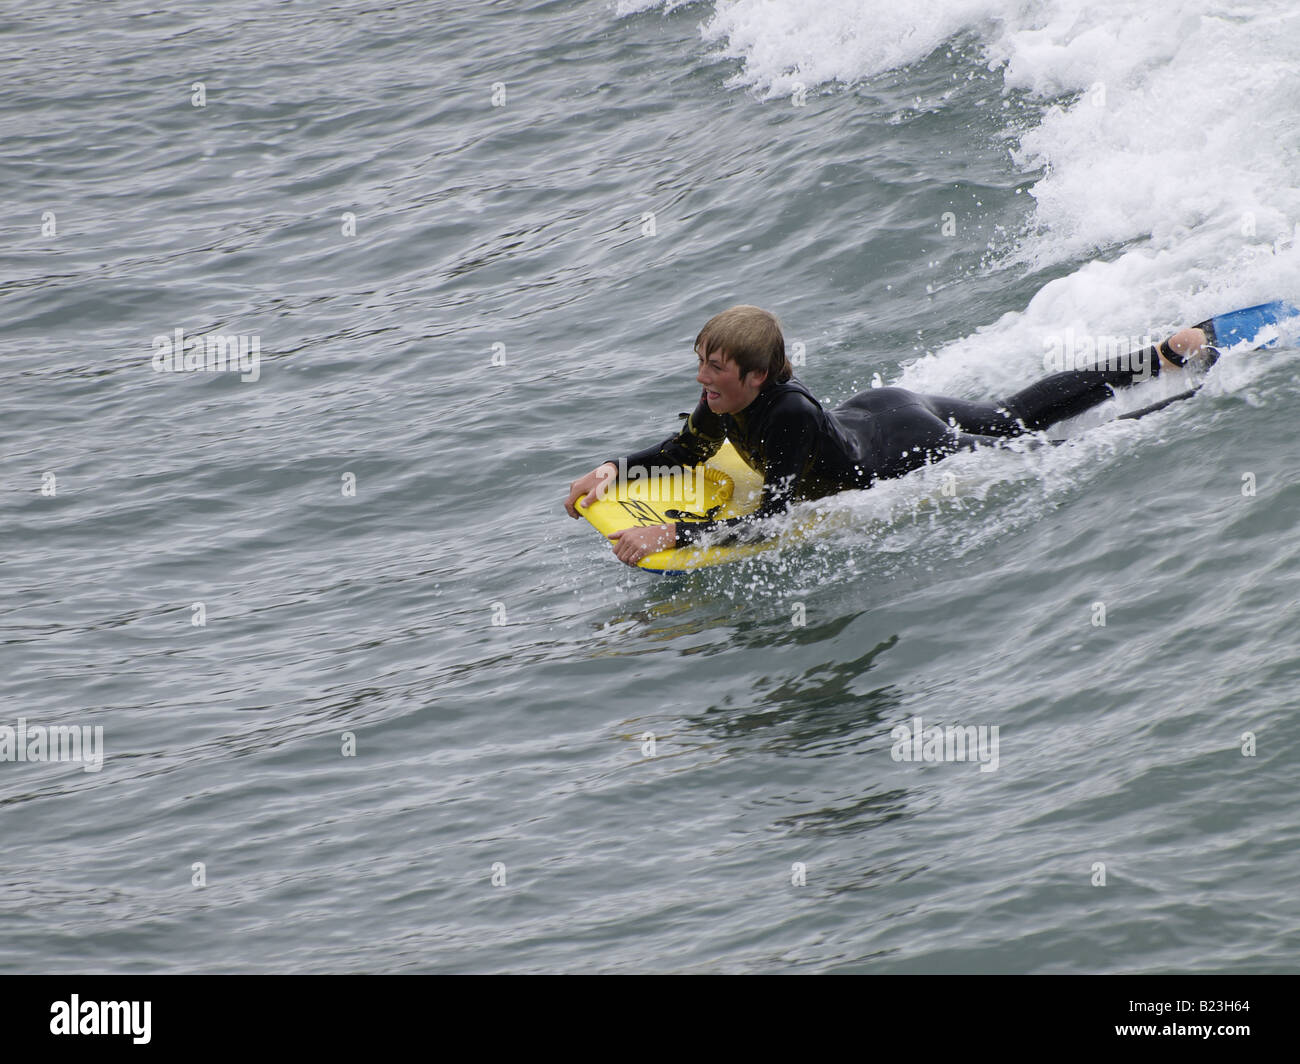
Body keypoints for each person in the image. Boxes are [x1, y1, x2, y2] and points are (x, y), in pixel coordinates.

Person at [564, 305, 1220, 567]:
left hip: (903, 446)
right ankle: (1156, 356)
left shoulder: (785, 415)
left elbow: (770, 518)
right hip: (883, 405)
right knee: (1008, 411)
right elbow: (686, 450)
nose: (702, 377)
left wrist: (673, 534)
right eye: (702, 363)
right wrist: (614, 469)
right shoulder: (724, 400)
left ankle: (1182, 379)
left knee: (1034, 442)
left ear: (757, 376)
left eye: (715, 367)